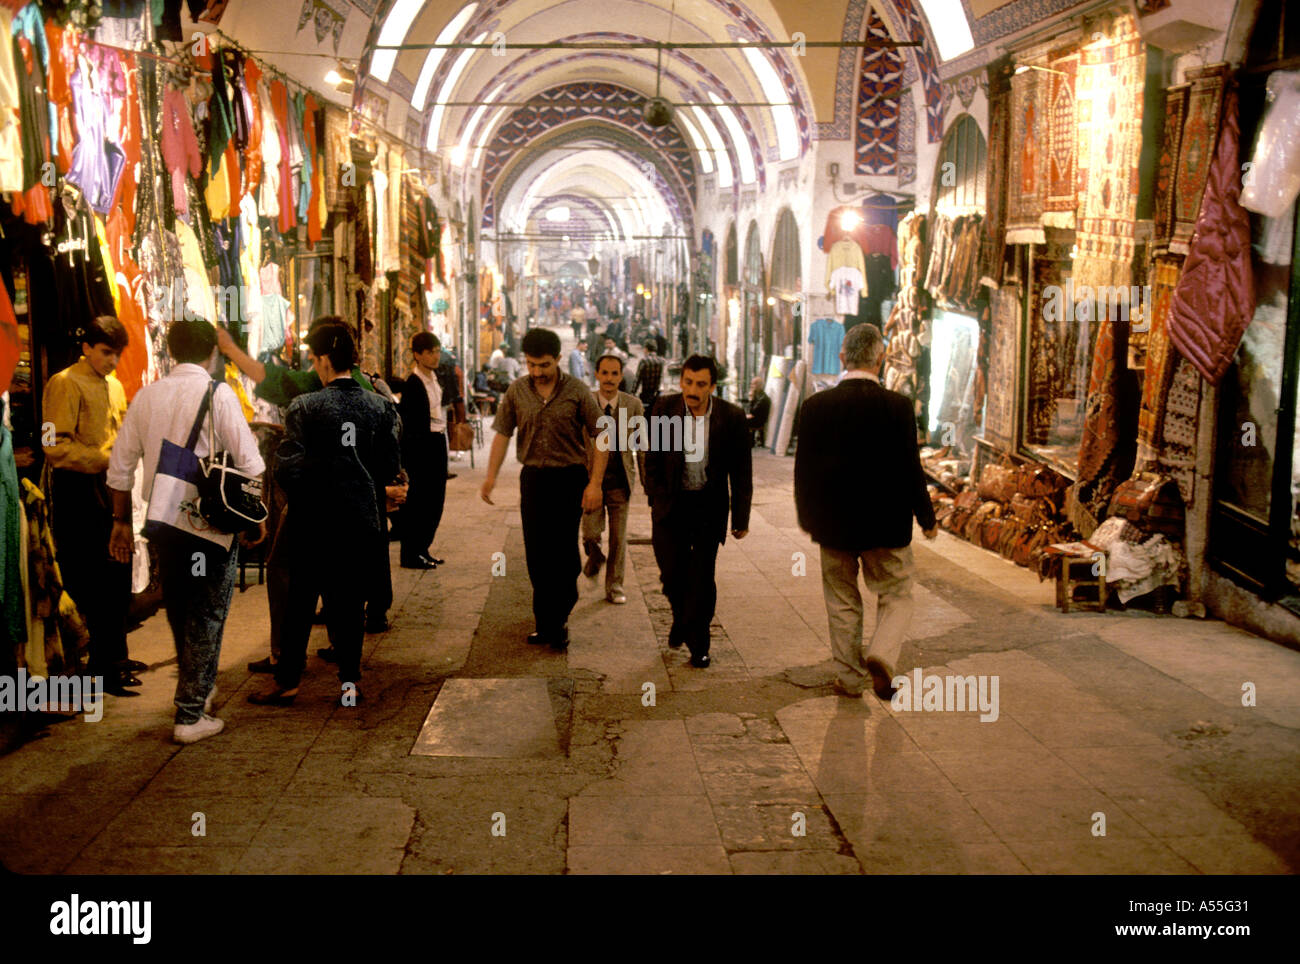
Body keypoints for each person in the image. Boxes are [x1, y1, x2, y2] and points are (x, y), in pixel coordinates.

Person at [107, 319, 266, 743]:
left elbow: (119, 469)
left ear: (172, 351)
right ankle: (191, 713)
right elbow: (251, 463)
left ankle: (197, 687)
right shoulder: (218, 394)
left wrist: (121, 522)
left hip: (162, 522)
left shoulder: (146, 396)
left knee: (180, 607)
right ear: (211, 354)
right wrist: (256, 516)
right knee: (209, 610)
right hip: (208, 524)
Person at [215, 319, 397, 668]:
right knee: (346, 590)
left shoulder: (310, 397)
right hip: (360, 511)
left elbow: (276, 385)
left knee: (292, 578)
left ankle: (286, 668)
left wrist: (229, 350)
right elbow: (388, 457)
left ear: (325, 359)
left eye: (312, 357)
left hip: (317, 511)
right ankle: (349, 676)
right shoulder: (373, 397)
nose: (311, 364)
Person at [793, 323, 937, 699]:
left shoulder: (814, 408)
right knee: (897, 594)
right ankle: (882, 653)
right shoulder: (898, 407)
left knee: (841, 601)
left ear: (842, 358)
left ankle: (849, 678)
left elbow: (803, 470)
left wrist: (809, 519)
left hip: (834, 526)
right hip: (886, 527)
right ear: (881, 358)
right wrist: (927, 517)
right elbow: (911, 468)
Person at [480, 327, 609, 650]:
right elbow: (502, 433)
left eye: (544, 365)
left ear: (558, 360)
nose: (537, 372)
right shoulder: (517, 391)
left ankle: (561, 615)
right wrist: (491, 476)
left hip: (569, 479)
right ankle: (546, 622)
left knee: (563, 551)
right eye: (532, 365)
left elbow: (602, 436)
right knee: (537, 553)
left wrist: (595, 483)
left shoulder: (578, 391)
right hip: (534, 480)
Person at [42, 316, 138, 696]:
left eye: (116, 354)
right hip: (78, 490)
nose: (112, 361)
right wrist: (103, 459)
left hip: (111, 486)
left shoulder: (114, 386)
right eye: (105, 352)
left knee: (118, 576)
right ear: (86, 347)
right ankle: (100, 669)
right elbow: (52, 446)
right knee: (94, 579)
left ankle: (113, 662)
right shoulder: (63, 383)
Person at [644, 355, 751, 668]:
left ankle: (699, 643)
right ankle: (682, 618)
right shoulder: (665, 409)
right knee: (671, 575)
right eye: (688, 382)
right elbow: (653, 458)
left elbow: (742, 471)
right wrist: (656, 498)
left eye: (701, 384)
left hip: (708, 507)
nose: (692, 389)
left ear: (712, 387)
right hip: (671, 507)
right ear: (681, 381)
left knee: (702, 578)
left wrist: (741, 517)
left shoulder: (731, 417)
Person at [582, 353, 645, 604]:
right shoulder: (585, 402)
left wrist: (647, 481)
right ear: (596, 374)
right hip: (591, 482)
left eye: (614, 373)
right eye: (604, 373)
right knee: (589, 534)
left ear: (621, 376)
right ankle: (595, 556)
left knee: (619, 538)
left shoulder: (633, 405)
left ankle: (615, 586)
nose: (609, 379)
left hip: (620, 481)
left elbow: (642, 445)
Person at [398, 332, 448, 570]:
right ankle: (410, 553)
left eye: (437, 351)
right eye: (430, 352)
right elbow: (410, 425)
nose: (435, 356)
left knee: (436, 499)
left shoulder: (435, 379)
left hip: (438, 440)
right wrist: (410, 459)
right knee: (419, 501)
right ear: (417, 355)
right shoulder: (414, 384)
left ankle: (423, 548)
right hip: (422, 446)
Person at [631, 339, 664, 409]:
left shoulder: (644, 361)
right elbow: (660, 379)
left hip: (645, 394)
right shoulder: (661, 361)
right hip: (655, 395)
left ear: (646, 349)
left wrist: (632, 393)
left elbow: (637, 379)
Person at [746, 376, 771, 447]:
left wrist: (751, 399)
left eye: (754, 384)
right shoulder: (758, 396)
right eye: (751, 384)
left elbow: (753, 411)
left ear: (759, 385)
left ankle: (748, 441)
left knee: (739, 421)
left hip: (758, 420)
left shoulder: (763, 398)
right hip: (755, 418)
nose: (751, 386)